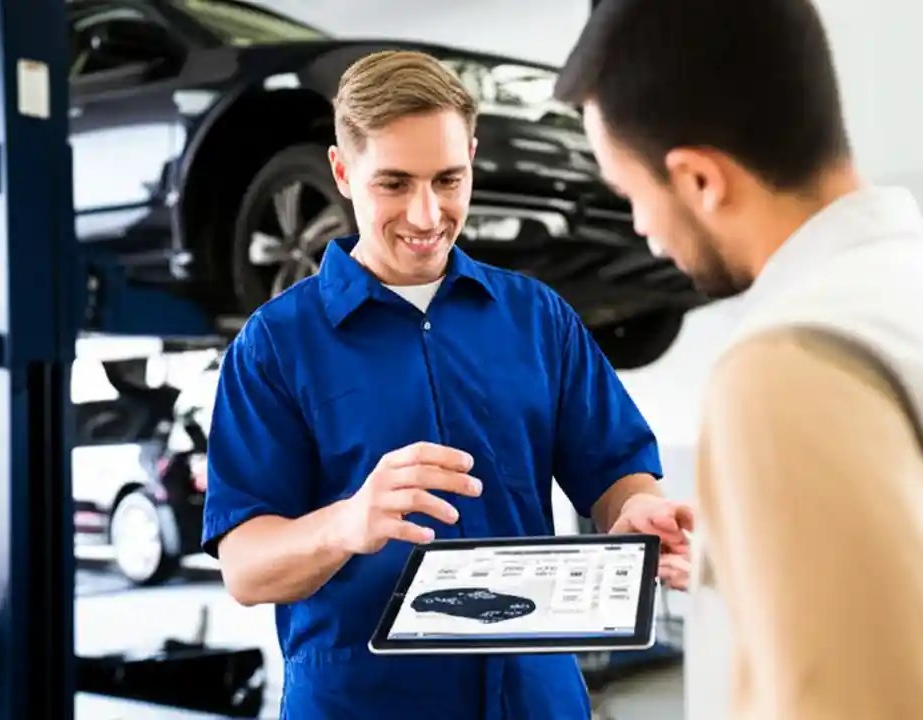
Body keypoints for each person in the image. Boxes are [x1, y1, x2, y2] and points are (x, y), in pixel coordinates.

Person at [556, 1, 923, 719]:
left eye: (631, 194)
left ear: (700, 179)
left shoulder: (794, 363)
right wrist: (757, 578)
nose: (641, 229)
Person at [202, 50, 693, 720]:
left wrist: (636, 515)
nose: (428, 214)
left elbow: (615, 473)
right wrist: (348, 522)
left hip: (535, 699)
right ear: (343, 173)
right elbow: (246, 569)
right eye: (394, 184)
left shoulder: (538, 318)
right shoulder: (274, 347)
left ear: (472, 159)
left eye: (448, 180)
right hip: (364, 704)